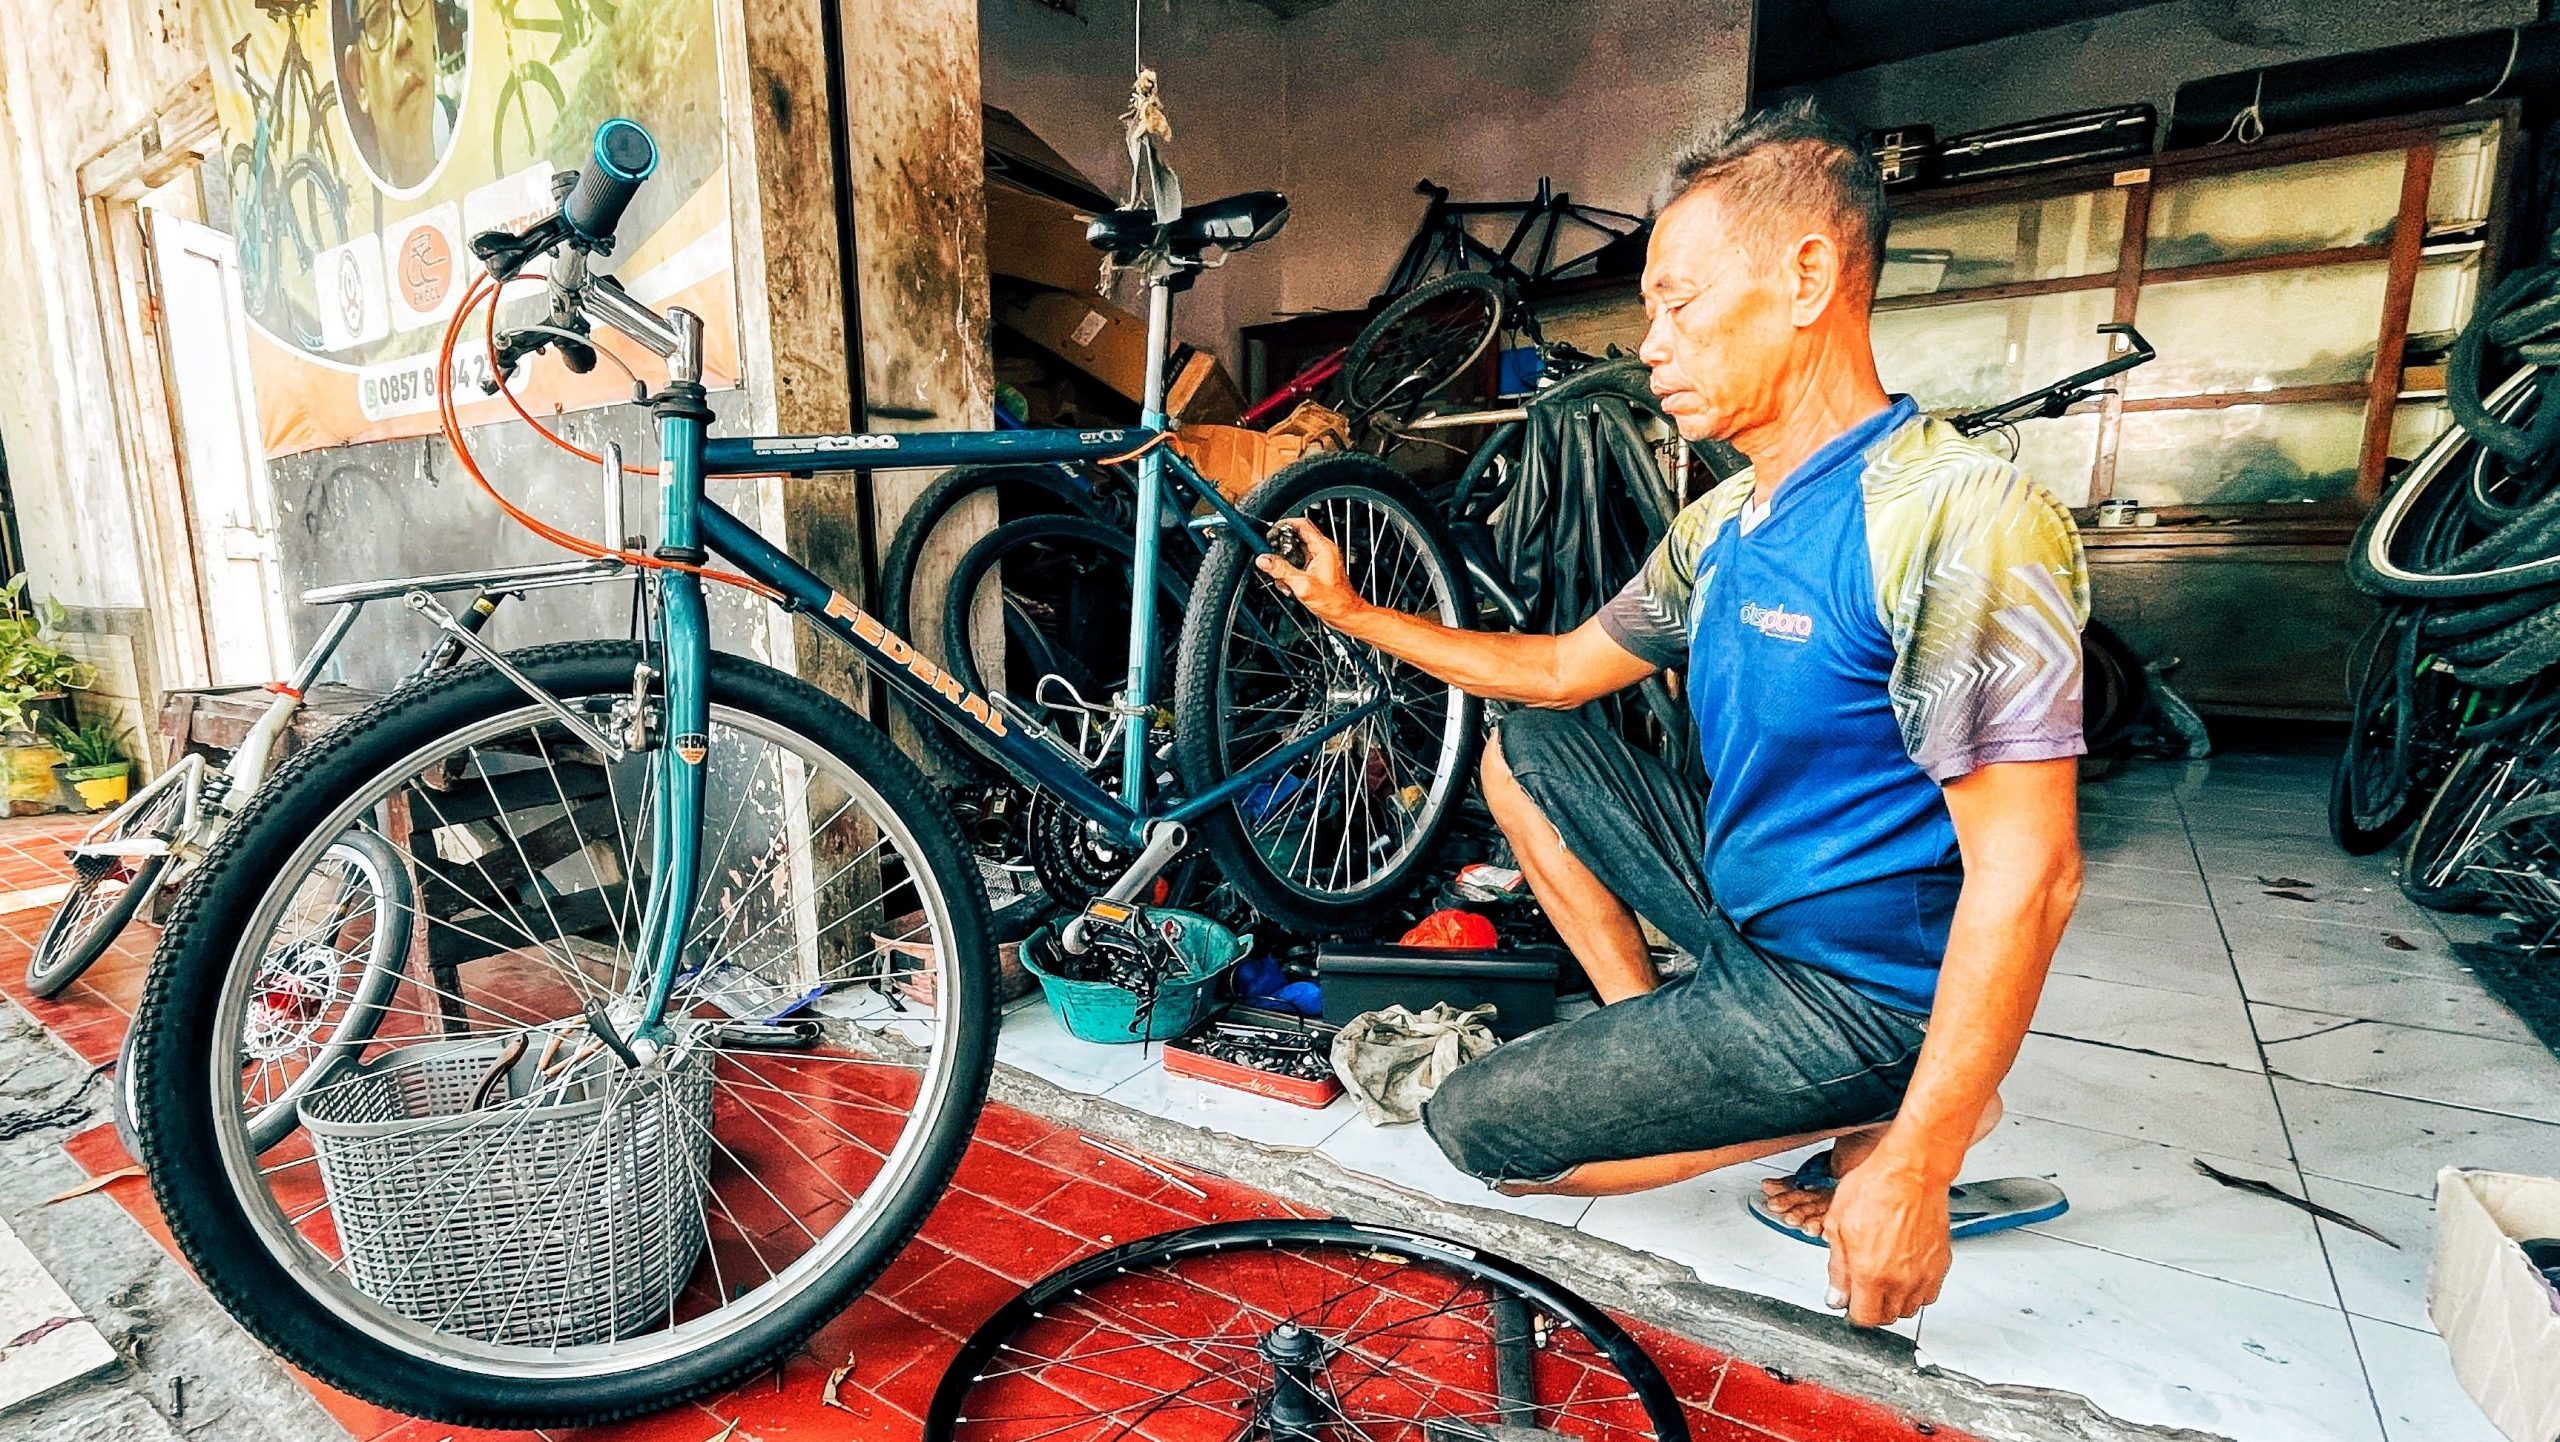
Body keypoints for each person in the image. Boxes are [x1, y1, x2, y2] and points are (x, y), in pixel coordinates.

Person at [1255, 98, 2087, 1330]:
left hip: (1861, 984)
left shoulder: (1954, 515)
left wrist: (1917, 1160)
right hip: (1750, 909)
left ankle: (1888, 1099)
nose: (1650, 342)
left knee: (1477, 1127)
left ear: (1808, 277)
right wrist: (1354, 611)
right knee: (1525, 750)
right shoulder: (1722, 521)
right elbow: (1549, 673)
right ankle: (1683, 1044)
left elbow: (2035, 875)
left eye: (1678, 302)